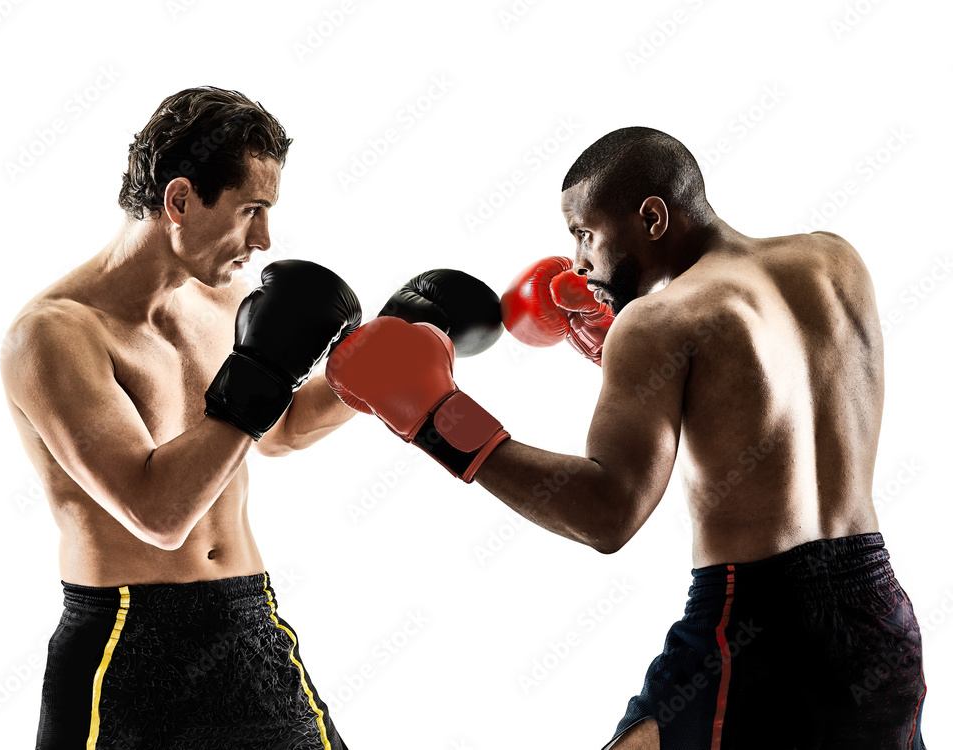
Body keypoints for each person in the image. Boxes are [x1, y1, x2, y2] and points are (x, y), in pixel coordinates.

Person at [326, 127, 928, 749]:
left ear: (652, 216)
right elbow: (772, 395)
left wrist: (434, 417)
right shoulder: (834, 260)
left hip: (752, 625)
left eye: (585, 233)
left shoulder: (657, 322)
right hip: (878, 616)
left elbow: (607, 514)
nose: (580, 260)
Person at [2, 87, 362, 750]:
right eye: (252, 210)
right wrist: (268, 372)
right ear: (180, 200)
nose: (265, 239)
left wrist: (380, 367)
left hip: (248, 617)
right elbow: (158, 512)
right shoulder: (54, 336)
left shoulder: (223, 300)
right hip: (128, 642)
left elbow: (276, 431)